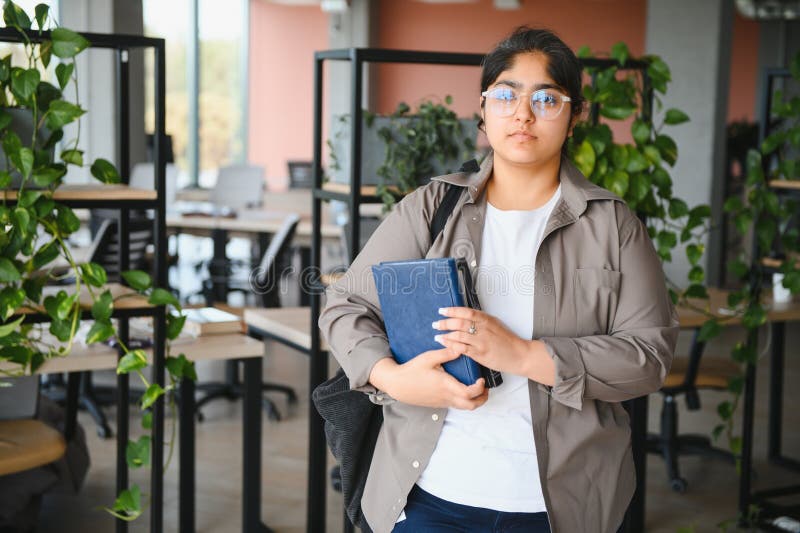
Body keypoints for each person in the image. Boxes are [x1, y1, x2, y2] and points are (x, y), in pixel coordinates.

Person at [319, 26, 678, 533]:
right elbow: (344, 306)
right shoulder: (431, 208)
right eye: (506, 95)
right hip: (426, 496)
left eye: (547, 98)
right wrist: (390, 377)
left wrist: (524, 356)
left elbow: (650, 357)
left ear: (575, 116)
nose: (523, 114)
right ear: (484, 111)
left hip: (559, 507)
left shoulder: (613, 226)